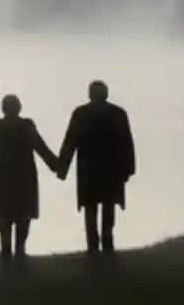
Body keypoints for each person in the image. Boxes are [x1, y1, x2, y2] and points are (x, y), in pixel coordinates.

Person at [0, 95, 59, 270]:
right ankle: (19, 250)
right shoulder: (25, 126)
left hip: (3, 178)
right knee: (22, 216)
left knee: (6, 217)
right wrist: (56, 165)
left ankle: (7, 252)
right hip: (23, 178)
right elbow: (40, 147)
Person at [57, 80, 135, 255]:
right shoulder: (117, 114)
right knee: (107, 206)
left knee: (91, 207)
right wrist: (128, 168)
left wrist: (62, 167)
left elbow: (70, 141)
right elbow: (127, 143)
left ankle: (94, 243)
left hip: (90, 169)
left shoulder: (81, 114)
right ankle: (106, 240)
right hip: (109, 169)